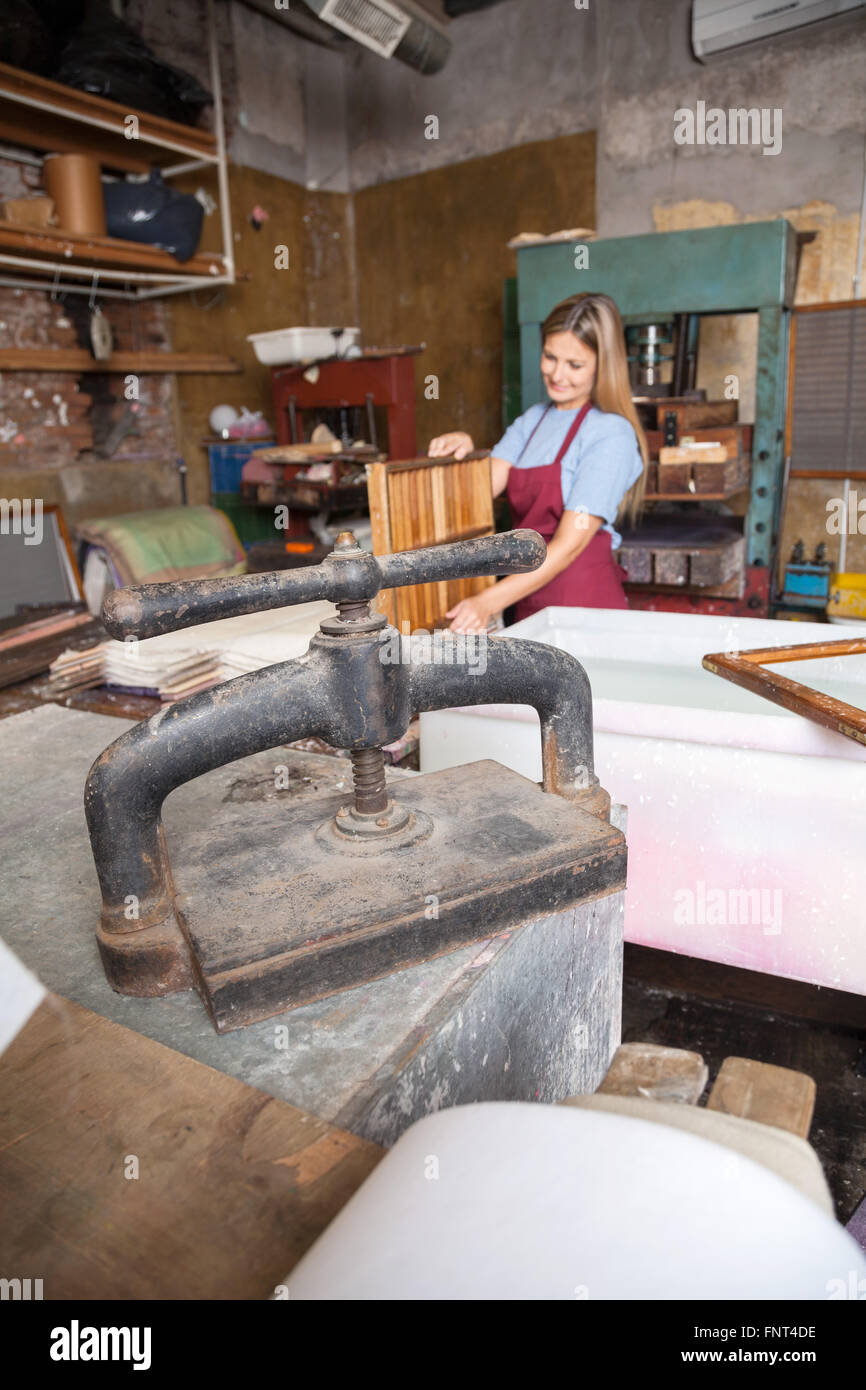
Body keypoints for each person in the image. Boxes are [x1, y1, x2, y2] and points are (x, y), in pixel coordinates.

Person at [428, 292, 647, 632]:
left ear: (603, 365)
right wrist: (466, 455)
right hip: (525, 600)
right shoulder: (534, 421)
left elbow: (567, 547)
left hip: (582, 608)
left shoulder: (611, 434)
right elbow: (476, 493)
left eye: (575, 365)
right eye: (550, 357)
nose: (558, 374)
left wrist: (487, 602)